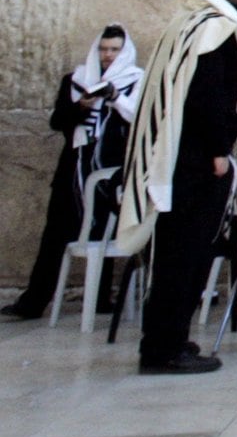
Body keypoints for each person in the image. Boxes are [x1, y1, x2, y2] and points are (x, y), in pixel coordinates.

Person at [116, 0, 237, 374]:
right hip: (196, 164)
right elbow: (209, 97)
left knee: (182, 255)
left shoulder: (189, 25)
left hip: (179, 156)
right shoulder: (216, 29)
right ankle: (162, 349)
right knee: (184, 256)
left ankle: (171, 340)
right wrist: (218, 151)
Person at [3, 25, 145, 321]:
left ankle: (101, 299)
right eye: (103, 49)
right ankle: (33, 302)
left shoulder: (135, 81)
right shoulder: (77, 80)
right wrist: (81, 106)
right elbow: (58, 121)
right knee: (56, 234)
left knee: (107, 232)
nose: (107, 56)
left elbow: (139, 119)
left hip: (113, 170)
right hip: (74, 169)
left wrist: (115, 98)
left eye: (114, 50)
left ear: (124, 52)